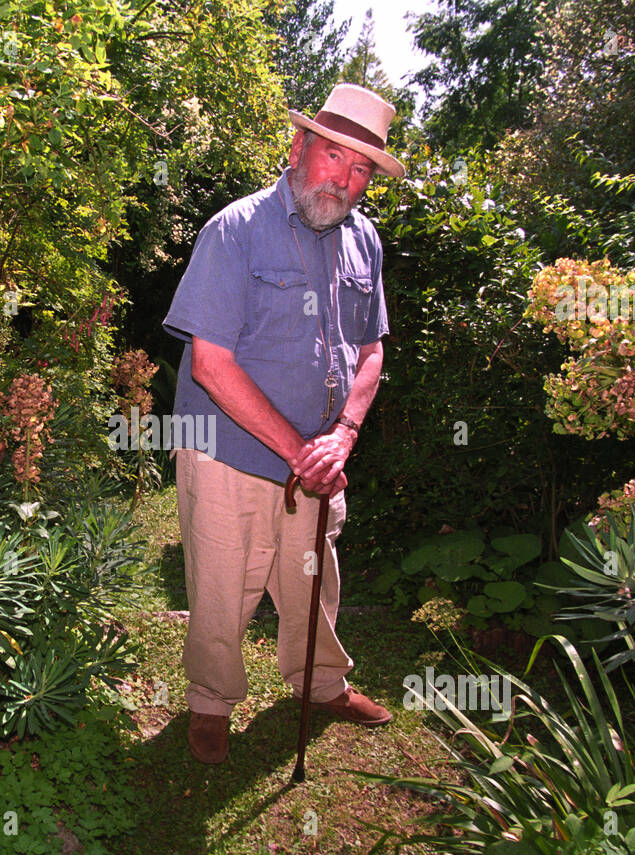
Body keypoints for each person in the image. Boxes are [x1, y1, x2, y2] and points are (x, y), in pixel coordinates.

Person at [162, 83, 405, 764]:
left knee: (312, 576)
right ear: (298, 147)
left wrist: (344, 435)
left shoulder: (365, 243)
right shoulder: (234, 230)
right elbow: (211, 364)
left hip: (320, 457)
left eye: (361, 169)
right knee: (221, 581)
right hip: (228, 454)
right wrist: (302, 449)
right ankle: (211, 702)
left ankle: (321, 683)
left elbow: (372, 348)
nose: (344, 179)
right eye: (333, 156)